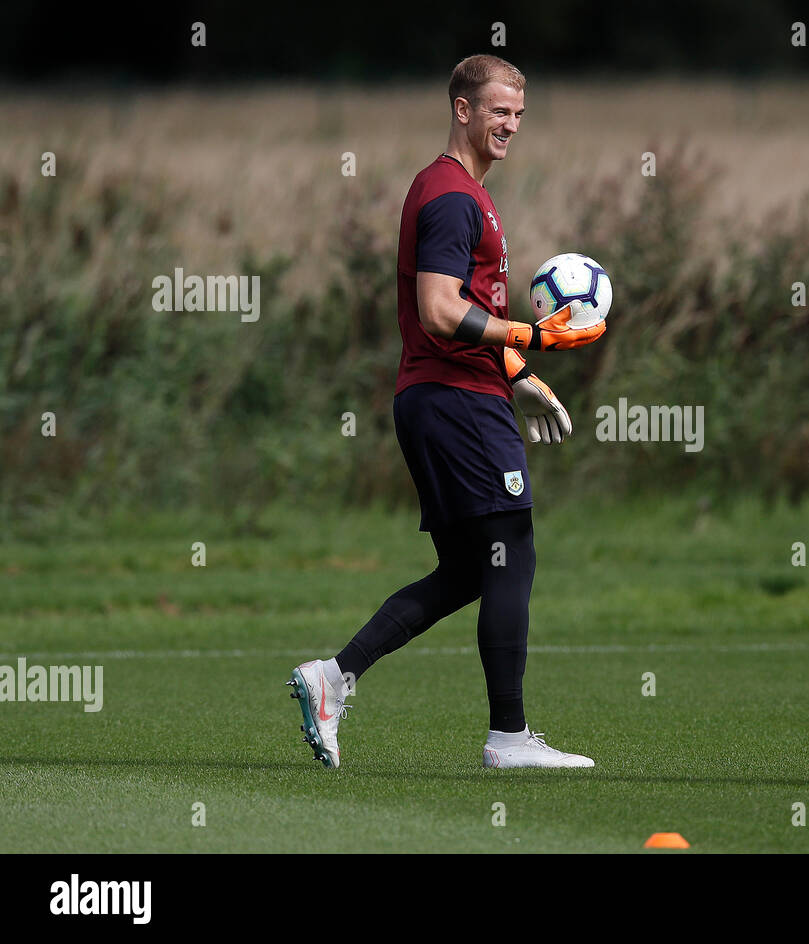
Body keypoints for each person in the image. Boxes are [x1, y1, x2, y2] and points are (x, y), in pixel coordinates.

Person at [286, 54, 606, 771]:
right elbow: (438, 309)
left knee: (471, 569)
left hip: (453, 395)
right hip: (456, 404)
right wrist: (527, 335)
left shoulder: (462, 193)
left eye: (519, 114)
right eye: (498, 111)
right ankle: (510, 738)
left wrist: (519, 374)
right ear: (462, 109)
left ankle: (333, 678)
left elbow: (465, 311)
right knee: (512, 552)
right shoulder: (453, 196)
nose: (510, 125)